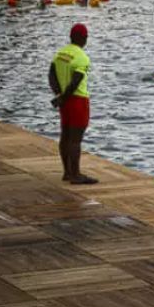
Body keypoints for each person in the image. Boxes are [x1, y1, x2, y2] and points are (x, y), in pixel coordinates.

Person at [49, 23, 97, 185]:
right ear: (83, 38)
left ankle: (67, 172)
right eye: (86, 37)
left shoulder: (60, 53)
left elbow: (51, 75)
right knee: (76, 139)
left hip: (65, 102)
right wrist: (63, 96)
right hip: (78, 100)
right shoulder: (82, 57)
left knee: (65, 135)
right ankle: (76, 175)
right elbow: (76, 81)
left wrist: (59, 95)